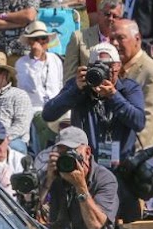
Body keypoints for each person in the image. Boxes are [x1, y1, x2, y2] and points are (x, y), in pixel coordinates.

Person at [41, 43, 146, 172]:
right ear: (89, 67)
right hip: (85, 166)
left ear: (118, 66)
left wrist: (113, 95)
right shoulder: (79, 87)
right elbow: (48, 114)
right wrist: (76, 90)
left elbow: (139, 122)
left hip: (122, 166)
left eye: (108, 66)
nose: (103, 71)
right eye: (98, 66)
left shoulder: (129, 88)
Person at [45, 127, 119, 229]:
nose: (67, 158)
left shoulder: (104, 178)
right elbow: (36, 219)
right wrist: (48, 181)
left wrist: (80, 186)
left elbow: (95, 225)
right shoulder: (55, 175)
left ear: (87, 152)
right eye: (62, 153)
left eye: (71, 152)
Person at [109, 18, 153, 149]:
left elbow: (147, 125)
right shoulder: (114, 69)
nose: (114, 43)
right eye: (111, 39)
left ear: (137, 39)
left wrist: (126, 155)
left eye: (121, 38)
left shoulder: (152, 72)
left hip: (141, 154)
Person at [64, 0, 122, 80]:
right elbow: (69, 75)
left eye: (115, 16)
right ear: (99, 14)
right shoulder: (78, 37)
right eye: (107, 14)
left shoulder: (124, 41)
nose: (110, 19)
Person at [16, 22, 63, 114]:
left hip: (55, 108)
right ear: (30, 42)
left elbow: (60, 85)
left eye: (43, 38)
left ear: (48, 40)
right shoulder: (21, 63)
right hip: (34, 110)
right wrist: (36, 60)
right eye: (36, 39)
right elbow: (32, 88)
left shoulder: (55, 59)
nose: (40, 41)